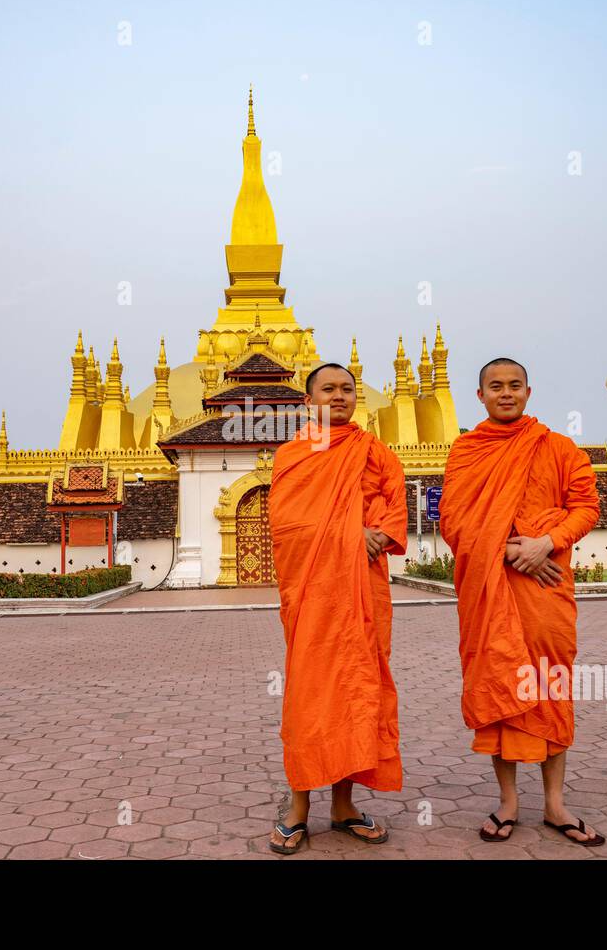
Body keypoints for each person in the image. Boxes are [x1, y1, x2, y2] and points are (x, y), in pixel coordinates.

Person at [438, 358, 606, 847]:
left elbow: (587, 507)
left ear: (528, 392)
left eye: (514, 386)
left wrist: (546, 541)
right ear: (480, 396)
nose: (505, 393)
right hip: (493, 589)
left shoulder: (558, 447)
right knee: (500, 689)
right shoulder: (467, 451)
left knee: (551, 686)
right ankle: (508, 801)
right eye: (495, 386)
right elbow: (453, 521)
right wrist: (511, 549)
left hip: (545, 589)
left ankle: (555, 804)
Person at [266, 363, 409, 854]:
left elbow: (395, 506)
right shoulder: (292, 456)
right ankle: (299, 807)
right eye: (328, 389)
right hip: (314, 598)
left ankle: (344, 805)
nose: (340, 396)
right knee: (310, 695)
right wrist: (353, 534)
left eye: (347, 389)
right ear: (309, 401)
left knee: (356, 692)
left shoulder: (375, 452)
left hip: (364, 595)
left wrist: (382, 533)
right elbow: (289, 529)